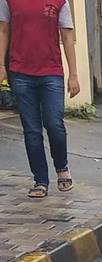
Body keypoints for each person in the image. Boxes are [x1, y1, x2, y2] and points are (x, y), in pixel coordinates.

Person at [0, 0, 81, 198]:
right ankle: (40, 180)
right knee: (31, 130)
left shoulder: (60, 1)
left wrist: (73, 74)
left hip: (51, 73)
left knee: (54, 123)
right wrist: (1, 65)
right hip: (20, 72)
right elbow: (3, 30)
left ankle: (62, 167)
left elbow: (67, 36)